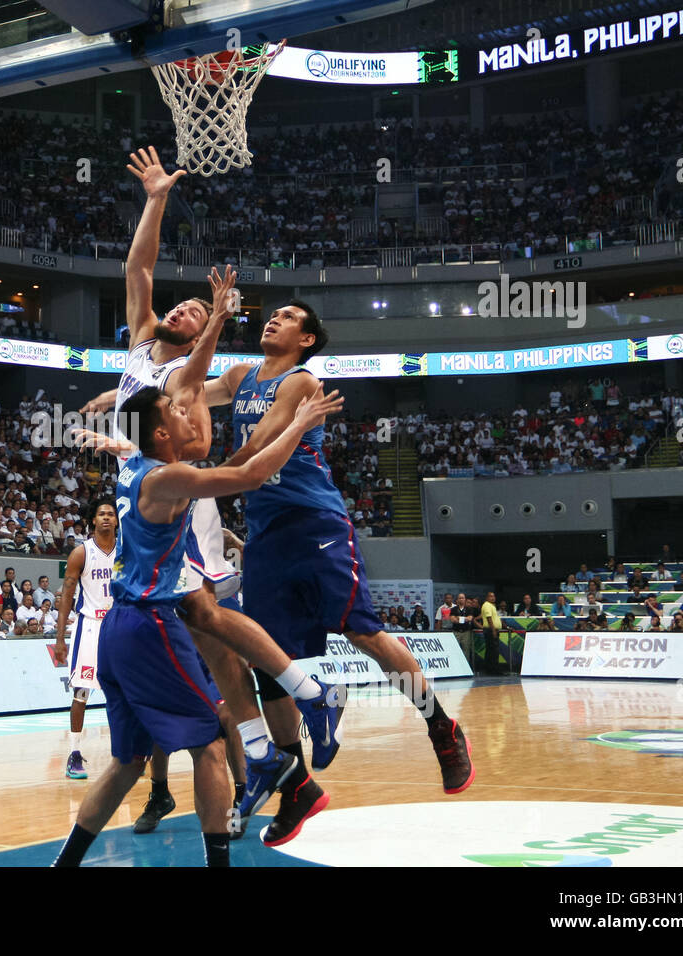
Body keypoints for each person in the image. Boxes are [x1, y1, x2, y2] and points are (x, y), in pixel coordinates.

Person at [202, 297, 475, 841]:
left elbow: (258, 447)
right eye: (271, 314)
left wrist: (196, 481)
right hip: (266, 535)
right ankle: (297, 784)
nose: (273, 319)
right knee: (265, 663)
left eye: (287, 317)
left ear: (305, 339)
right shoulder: (238, 375)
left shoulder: (301, 383)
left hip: (315, 523)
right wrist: (141, 382)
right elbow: (184, 394)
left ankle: (441, 727)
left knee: (363, 631)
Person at [53, 383, 340, 867]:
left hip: (117, 631)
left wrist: (119, 440)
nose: (188, 413)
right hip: (150, 626)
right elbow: (250, 474)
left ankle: (66, 864)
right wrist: (299, 421)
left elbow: (137, 447)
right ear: (162, 432)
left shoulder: (135, 469)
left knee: (126, 763)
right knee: (209, 745)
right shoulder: (168, 477)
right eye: (175, 410)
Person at [52, 498, 117, 780]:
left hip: (119, 626)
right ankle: (74, 753)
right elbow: (67, 595)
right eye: (101, 514)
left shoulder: (126, 552)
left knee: (124, 692)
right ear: (93, 520)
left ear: (116, 520)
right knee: (81, 692)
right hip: (89, 627)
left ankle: (125, 751)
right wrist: (60, 638)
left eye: (110, 514)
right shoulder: (81, 553)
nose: (105, 518)